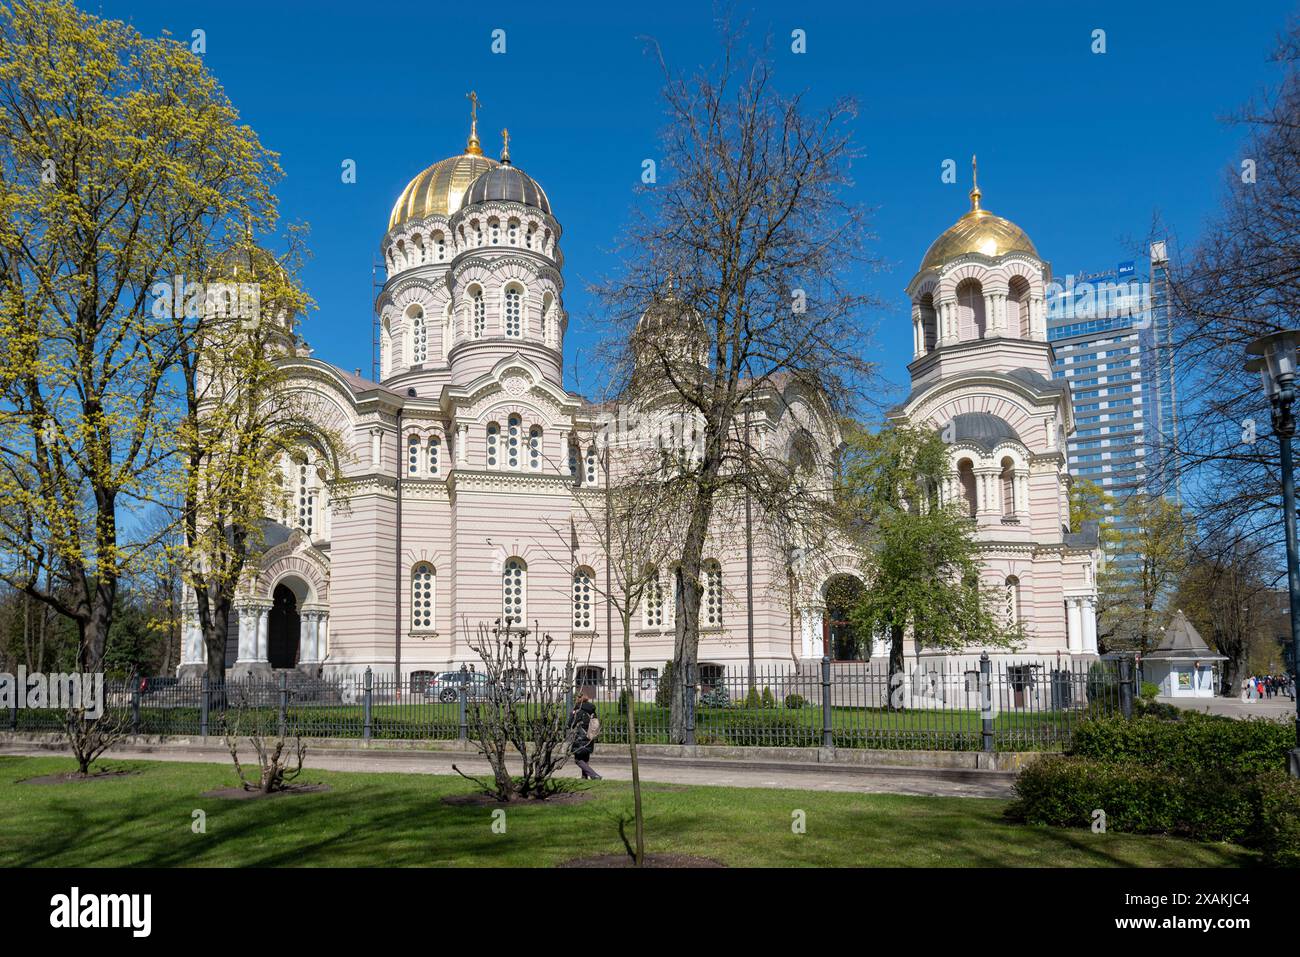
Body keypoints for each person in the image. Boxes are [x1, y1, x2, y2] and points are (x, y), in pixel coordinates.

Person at [569, 694, 602, 780]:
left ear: (578, 700)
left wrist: (572, 714)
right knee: (585, 758)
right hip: (590, 735)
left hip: (580, 737)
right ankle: (584, 777)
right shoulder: (591, 710)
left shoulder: (578, 711)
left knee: (578, 760)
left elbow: (570, 724)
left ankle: (594, 775)